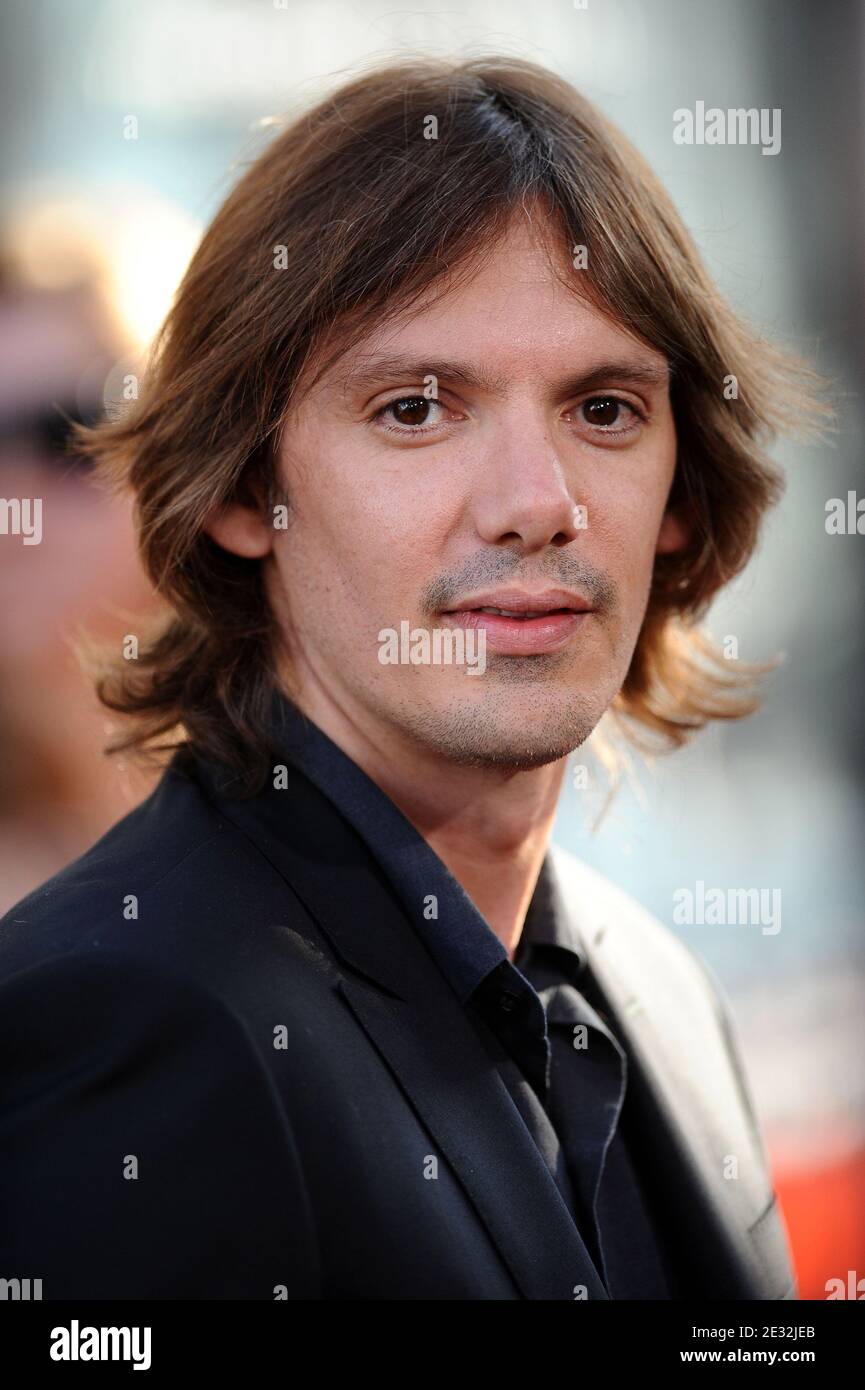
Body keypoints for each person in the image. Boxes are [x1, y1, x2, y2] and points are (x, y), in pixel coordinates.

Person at [0, 55, 820, 1300]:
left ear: (679, 487)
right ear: (237, 490)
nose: (539, 503)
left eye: (602, 409)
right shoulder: (126, 1016)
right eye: (418, 407)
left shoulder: (661, 986)